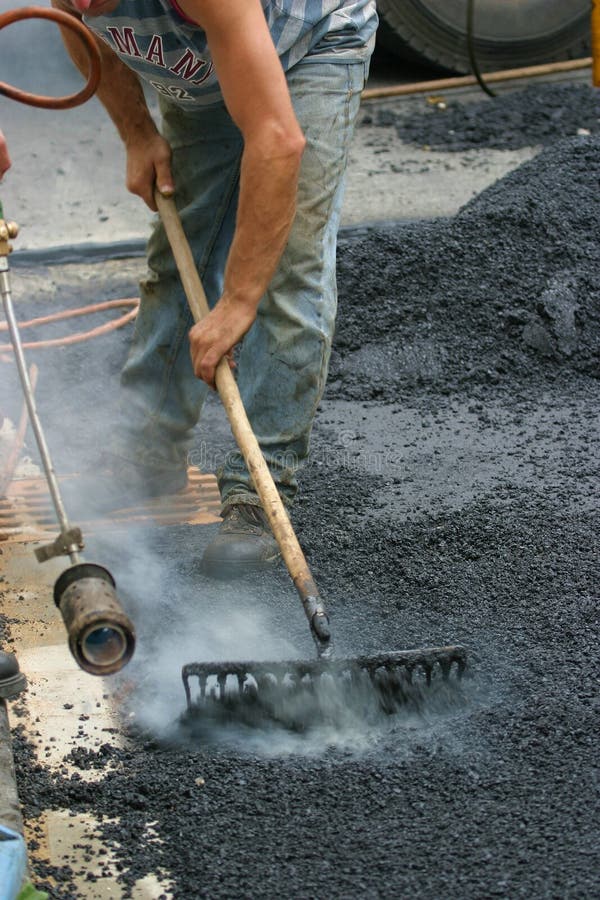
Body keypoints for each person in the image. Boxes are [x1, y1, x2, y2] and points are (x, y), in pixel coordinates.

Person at [53, 0, 377, 577]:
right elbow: (79, 30)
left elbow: (276, 141)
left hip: (307, 41)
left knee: (288, 269)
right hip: (201, 65)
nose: (82, 2)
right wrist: (136, 132)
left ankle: (260, 492)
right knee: (181, 246)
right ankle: (148, 456)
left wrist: (239, 300)